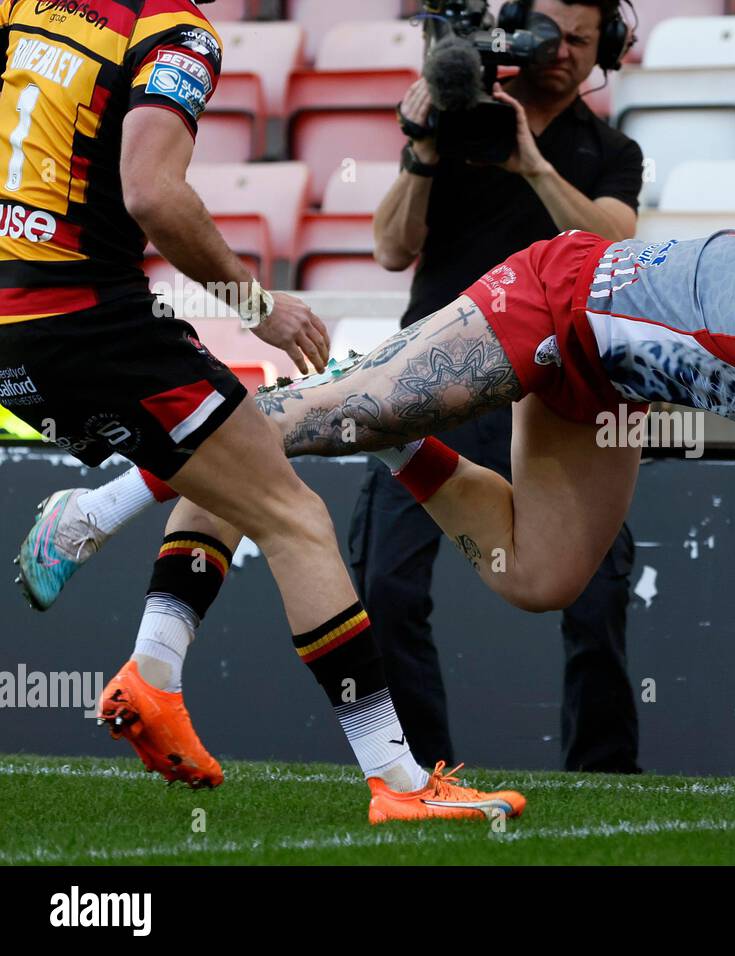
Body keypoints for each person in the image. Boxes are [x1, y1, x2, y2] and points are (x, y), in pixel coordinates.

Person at [21, 228, 735, 666]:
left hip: (611, 381)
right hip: (558, 297)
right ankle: (95, 507)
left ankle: (399, 445)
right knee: (333, 415)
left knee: (542, 574)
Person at [0, 0, 521, 824]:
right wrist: (256, 305)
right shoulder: (170, 27)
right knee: (294, 518)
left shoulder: (24, 10)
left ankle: (151, 665)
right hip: (88, 322)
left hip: (14, 327)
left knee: (237, 444)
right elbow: (154, 196)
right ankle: (399, 781)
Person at [358, 0, 643, 772]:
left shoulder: (612, 150)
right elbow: (390, 248)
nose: (564, 52)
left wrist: (533, 166)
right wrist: (422, 149)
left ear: (605, 49)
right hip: (437, 377)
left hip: (558, 396)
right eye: (553, 34)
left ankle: (605, 775)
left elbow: (615, 245)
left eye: (584, 40)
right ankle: (422, 770)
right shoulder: (456, 124)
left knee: (596, 595)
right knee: (385, 585)